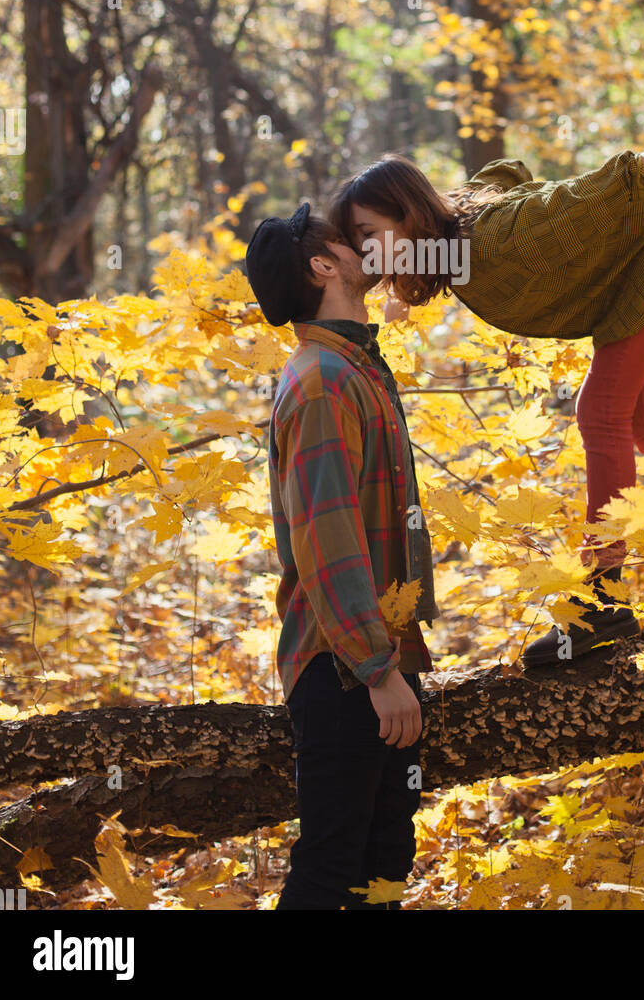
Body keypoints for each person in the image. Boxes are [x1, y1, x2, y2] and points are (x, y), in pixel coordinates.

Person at [328, 107, 644, 666]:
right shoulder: (455, 235)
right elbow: (505, 173)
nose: (368, 249)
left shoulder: (496, 237)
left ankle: (600, 603)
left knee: (602, 413)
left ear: (409, 214)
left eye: (370, 234)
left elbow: (616, 179)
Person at [245, 202, 437, 909]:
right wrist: (377, 669)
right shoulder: (322, 382)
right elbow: (327, 541)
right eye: (348, 241)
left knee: (383, 862)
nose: (365, 245)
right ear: (323, 267)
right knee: (330, 872)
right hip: (344, 668)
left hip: (377, 655)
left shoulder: (352, 364)